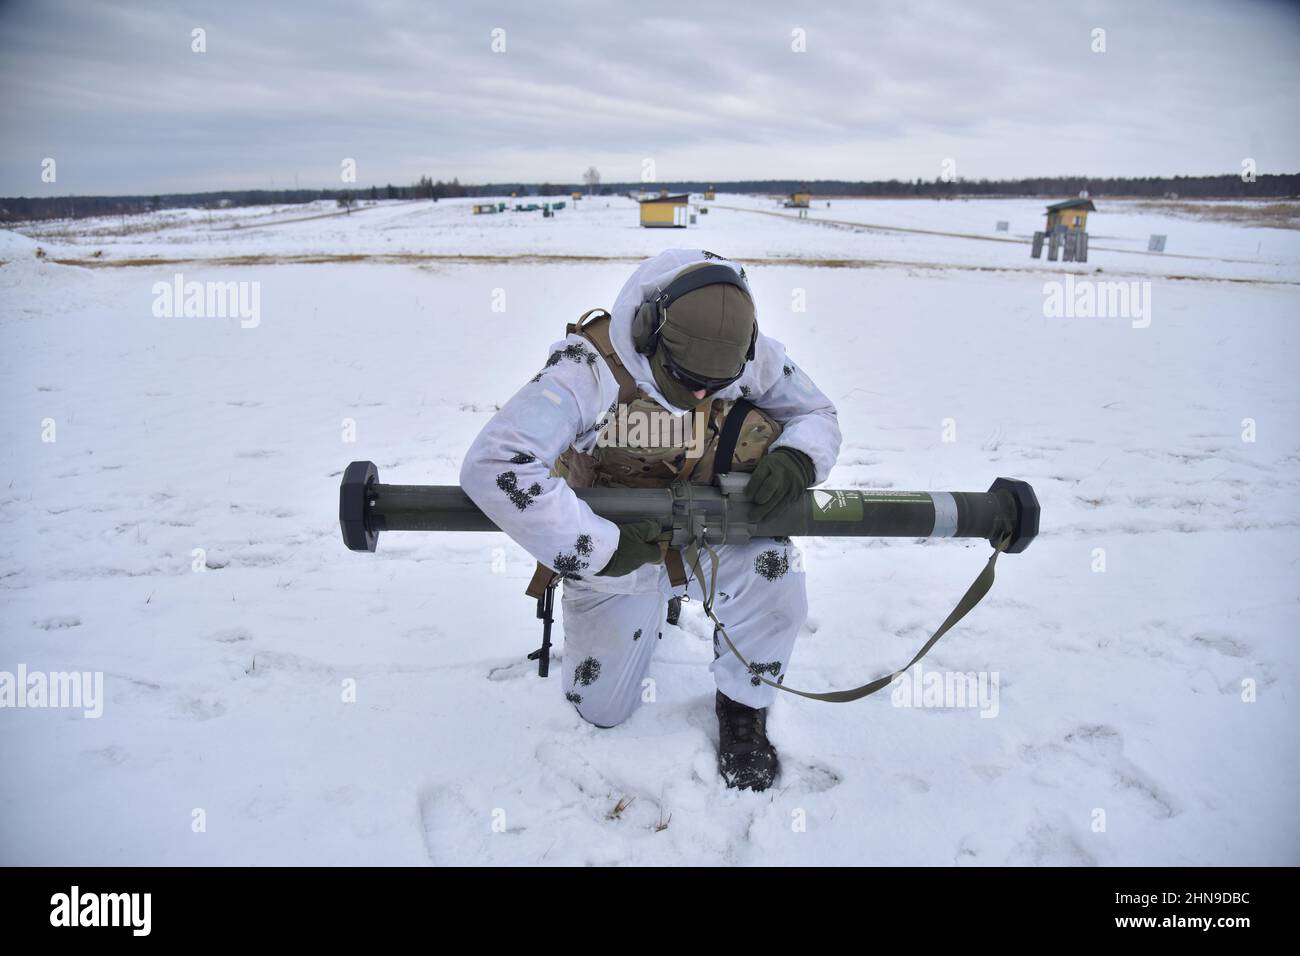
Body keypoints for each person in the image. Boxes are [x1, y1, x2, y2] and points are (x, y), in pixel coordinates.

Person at [460, 248, 841, 791]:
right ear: (646, 335)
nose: (704, 395)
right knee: (600, 710)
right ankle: (646, 605)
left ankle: (743, 704)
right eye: (688, 378)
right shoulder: (588, 367)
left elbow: (816, 413)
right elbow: (495, 463)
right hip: (615, 552)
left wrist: (800, 454)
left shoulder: (753, 354)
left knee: (776, 573)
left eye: (719, 382)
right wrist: (598, 549)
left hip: (712, 535)